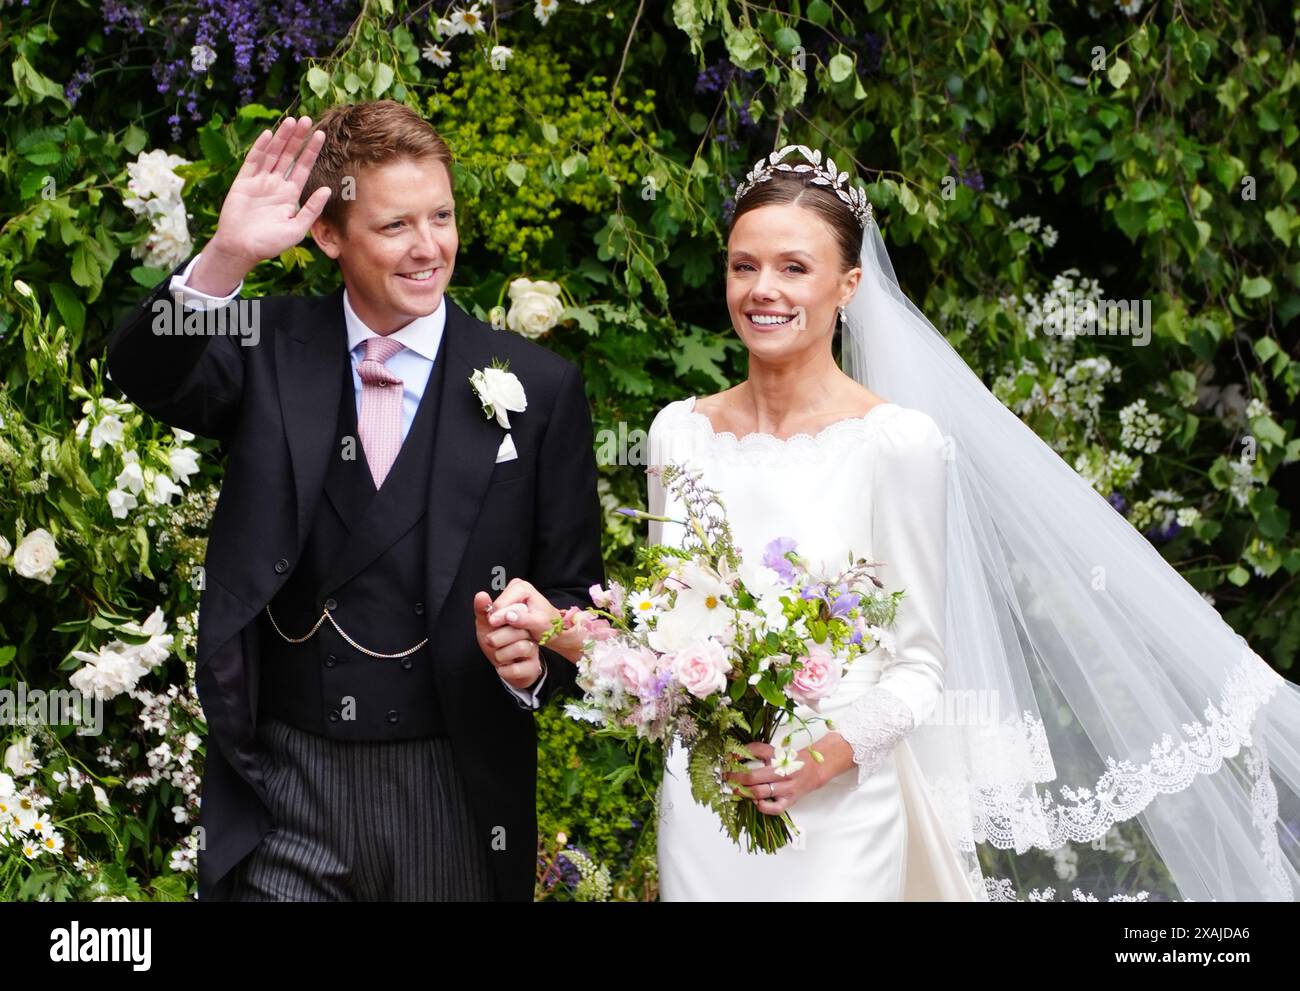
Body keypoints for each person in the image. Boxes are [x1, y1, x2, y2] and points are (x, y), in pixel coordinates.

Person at [486, 144, 1300, 902]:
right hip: (706, 807)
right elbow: (665, 654)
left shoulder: (896, 442)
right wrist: (556, 625)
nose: (762, 289)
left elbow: (916, 669)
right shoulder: (677, 431)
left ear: (847, 286)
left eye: (794, 267)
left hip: (840, 815)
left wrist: (818, 760)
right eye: (744, 266)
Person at [106, 102, 603, 901]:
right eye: (394, 225)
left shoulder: (539, 388)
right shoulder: (268, 347)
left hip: (455, 785)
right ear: (330, 236)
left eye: (440, 215)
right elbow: (141, 372)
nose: (427, 247)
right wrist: (225, 259)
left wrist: (532, 662)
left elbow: (577, 593)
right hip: (289, 785)